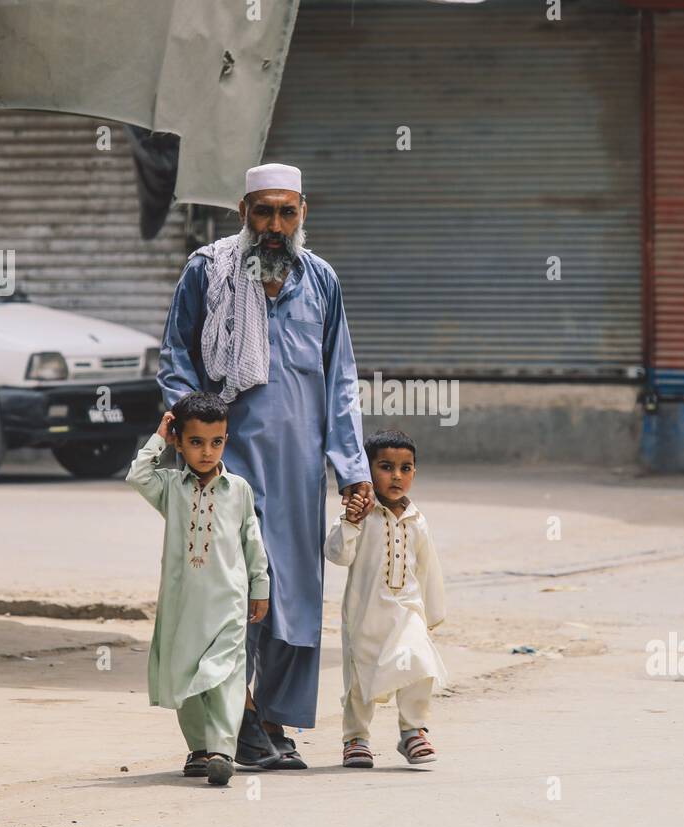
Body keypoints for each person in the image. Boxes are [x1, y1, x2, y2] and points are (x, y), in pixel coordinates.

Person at [158, 163, 373, 769]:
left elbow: (341, 381)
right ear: (243, 213)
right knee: (234, 596)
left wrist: (351, 468)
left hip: (298, 471)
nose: (274, 226)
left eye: (286, 212)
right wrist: (189, 431)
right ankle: (239, 720)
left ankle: (272, 720)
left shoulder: (321, 280)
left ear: (303, 211)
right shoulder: (209, 271)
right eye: (262, 212)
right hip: (224, 469)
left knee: (293, 600)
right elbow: (176, 359)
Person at [126, 391, 270, 786]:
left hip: (229, 601)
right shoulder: (170, 488)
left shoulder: (238, 489)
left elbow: (252, 541)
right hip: (183, 605)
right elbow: (137, 475)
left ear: (226, 439)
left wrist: (261, 586)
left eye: (216, 442)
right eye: (195, 442)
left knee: (225, 674)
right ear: (179, 440)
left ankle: (223, 749)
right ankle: (200, 749)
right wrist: (159, 437)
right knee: (186, 674)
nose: (207, 452)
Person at [324, 429, 447, 768]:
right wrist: (350, 521)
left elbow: (429, 568)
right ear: (367, 471)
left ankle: (412, 731)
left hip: (407, 612)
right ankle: (356, 738)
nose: (396, 476)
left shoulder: (417, 520)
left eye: (405, 468)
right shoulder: (360, 515)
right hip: (366, 615)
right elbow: (337, 554)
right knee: (361, 681)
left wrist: (432, 614)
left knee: (420, 663)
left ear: (414, 473)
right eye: (386, 467)